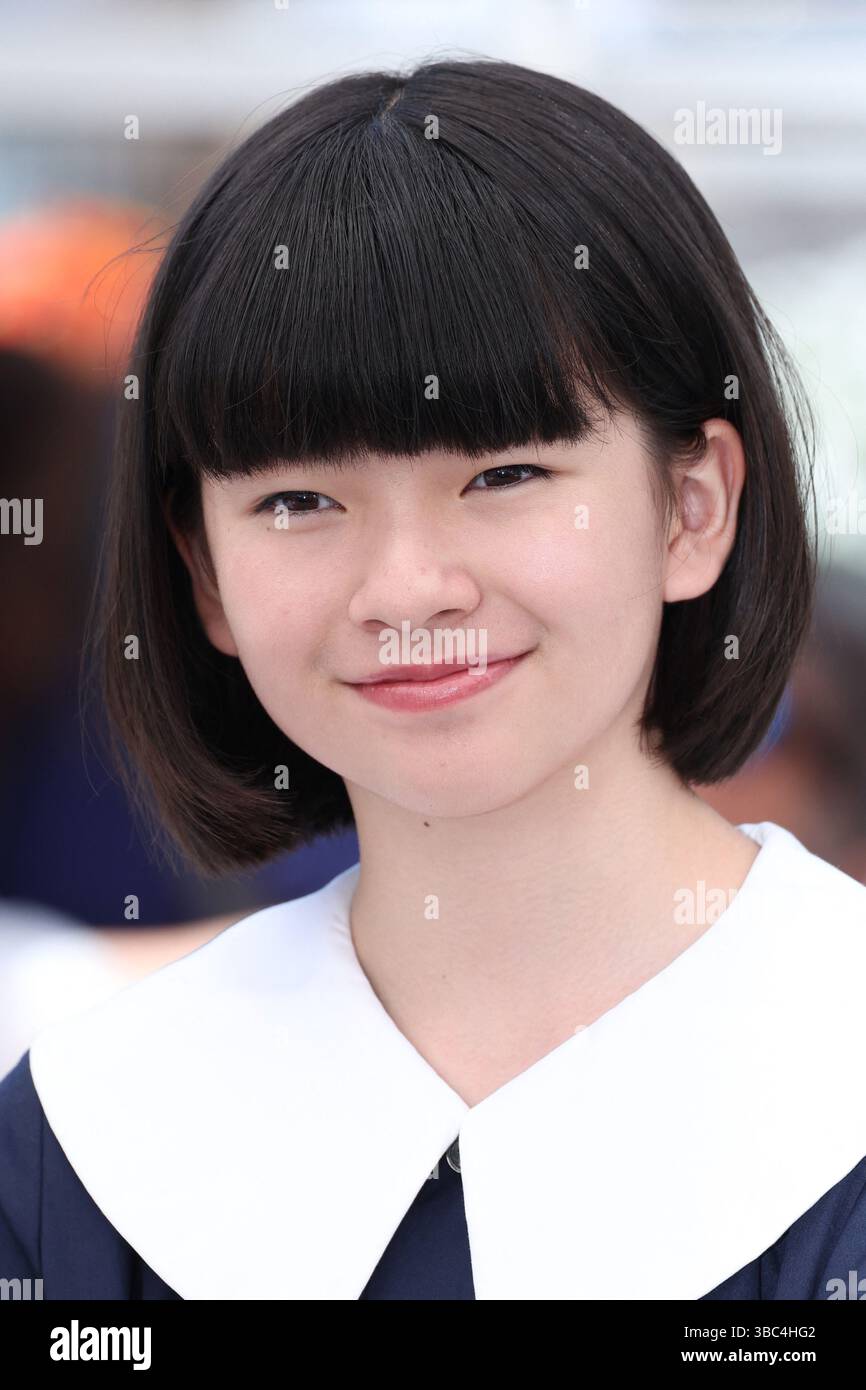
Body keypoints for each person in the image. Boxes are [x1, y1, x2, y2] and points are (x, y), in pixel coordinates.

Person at [1, 57, 865, 1302]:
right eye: (299, 499)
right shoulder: (87, 1145)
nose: (406, 589)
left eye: (502, 475)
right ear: (202, 575)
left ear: (691, 504)